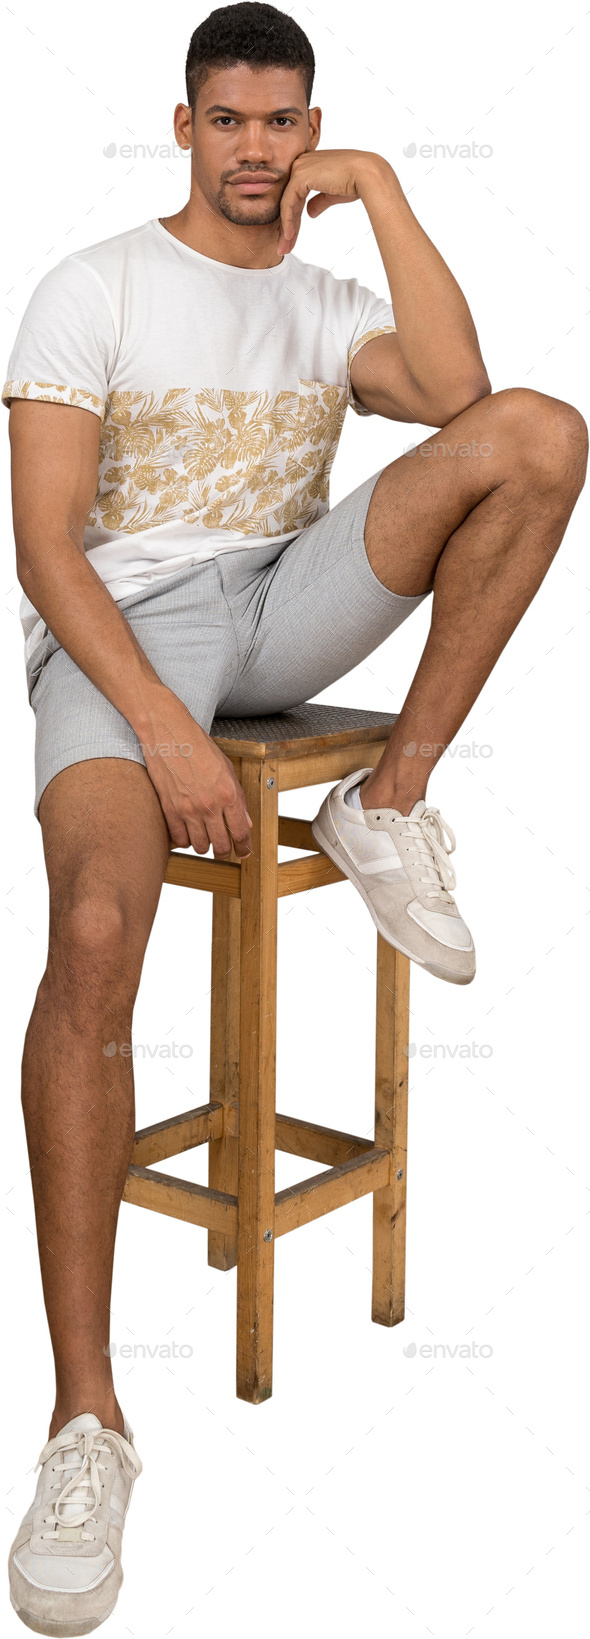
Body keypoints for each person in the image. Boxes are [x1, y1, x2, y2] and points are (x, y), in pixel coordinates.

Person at [4, 3, 587, 1631]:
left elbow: (470, 404)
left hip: (284, 606)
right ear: (181, 128)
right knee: (97, 939)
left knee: (544, 431)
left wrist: (388, 194)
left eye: (285, 123)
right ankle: (85, 1422)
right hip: (125, 637)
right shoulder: (94, 283)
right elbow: (47, 551)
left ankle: (393, 802)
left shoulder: (332, 295)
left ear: (305, 129)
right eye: (230, 121)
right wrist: (163, 734)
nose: (258, 148)